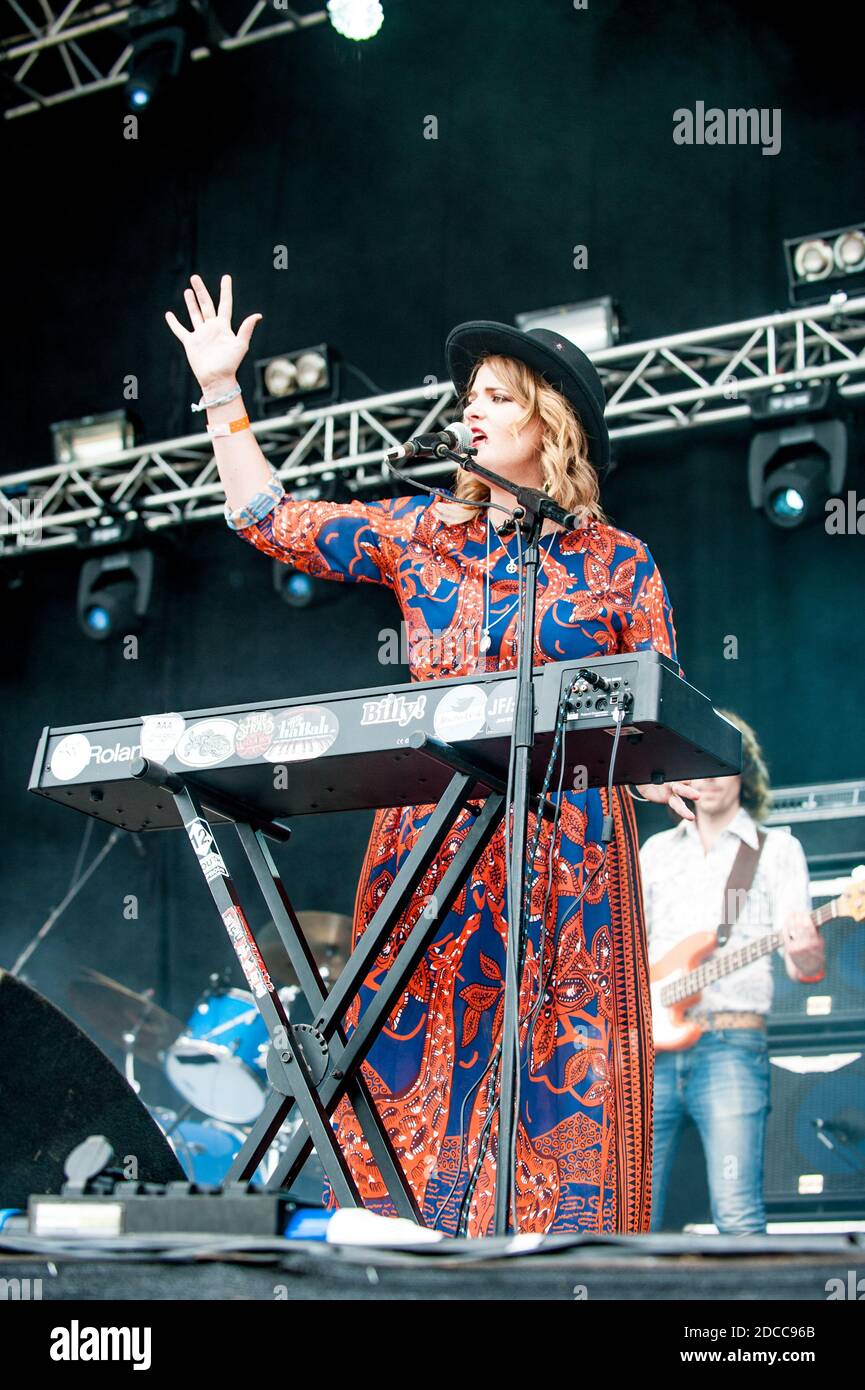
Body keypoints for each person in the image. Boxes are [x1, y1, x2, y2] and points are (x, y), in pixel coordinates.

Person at [166, 274, 699, 1235]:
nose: (472, 411)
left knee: (557, 1059)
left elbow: (658, 708)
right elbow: (267, 519)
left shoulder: (621, 560)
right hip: (437, 837)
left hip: (569, 848)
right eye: (470, 398)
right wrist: (221, 393)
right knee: (415, 1040)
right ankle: (405, 1242)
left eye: (496, 397)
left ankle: (555, 1262)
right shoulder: (425, 535)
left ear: (551, 424)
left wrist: (682, 777)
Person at [639, 710, 826, 1235]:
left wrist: (808, 949)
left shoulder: (778, 850)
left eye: (721, 760)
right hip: (649, 1052)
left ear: (743, 769)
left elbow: (804, 968)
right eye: (698, 759)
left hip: (731, 1044)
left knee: (738, 1215)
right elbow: (630, 955)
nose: (709, 773)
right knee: (630, 1215)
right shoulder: (654, 853)